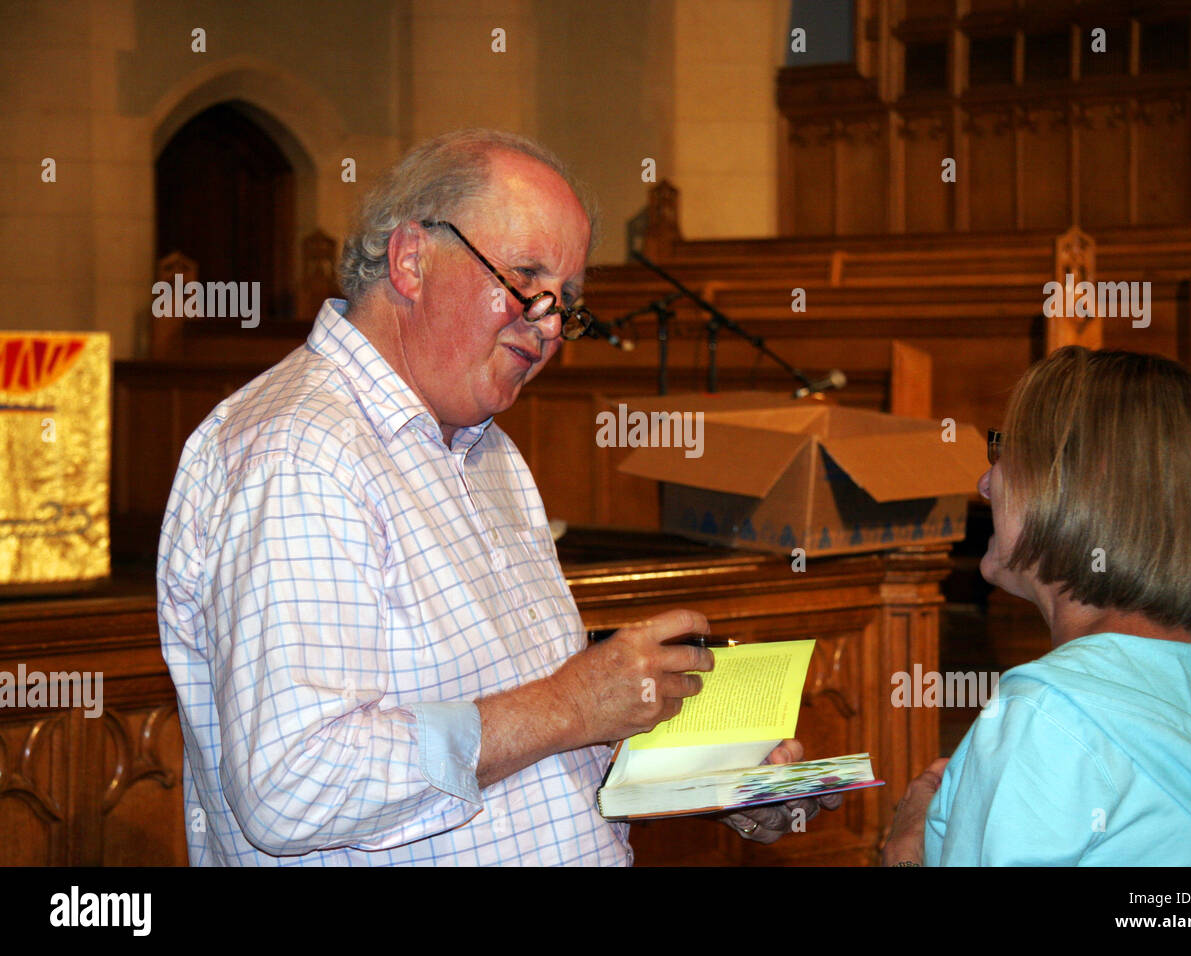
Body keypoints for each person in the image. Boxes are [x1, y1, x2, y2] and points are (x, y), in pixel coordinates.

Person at [157, 129, 833, 866]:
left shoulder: (488, 452)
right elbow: (294, 786)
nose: (549, 326)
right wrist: (572, 704)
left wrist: (709, 776)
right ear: (411, 259)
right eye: (525, 279)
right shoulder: (300, 452)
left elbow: (525, 746)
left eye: (566, 302)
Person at [882, 346, 1191, 866]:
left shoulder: (1047, 715)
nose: (985, 484)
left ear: (1078, 484)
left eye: (1005, 452)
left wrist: (904, 847)